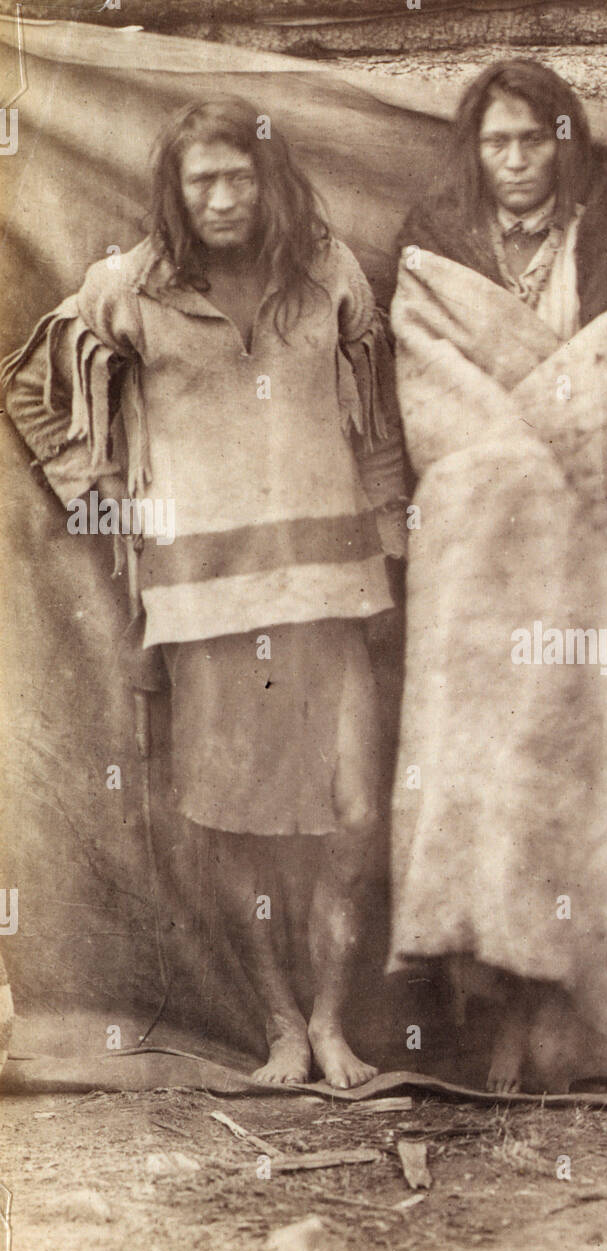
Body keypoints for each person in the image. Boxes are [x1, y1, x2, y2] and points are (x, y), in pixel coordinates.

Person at [3, 98, 407, 1088]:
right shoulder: (127, 287)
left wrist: (393, 547)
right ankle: (278, 1026)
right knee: (235, 825)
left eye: (240, 177)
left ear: (270, 180)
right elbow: (28, 385)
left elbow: (380, 421)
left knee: (353, 817)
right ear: (177, 192)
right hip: (204, 600)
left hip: (330, 589)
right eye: (203, 180)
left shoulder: (330, 275)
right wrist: (104, 504)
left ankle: (332, 1022)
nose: (223, 197)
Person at [386, 60, 607, 1093]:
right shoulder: (435, 251)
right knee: (482, 763)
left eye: (534, 140)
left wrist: (561, 417)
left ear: (566, 143)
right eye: (496, 142)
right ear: (473, 151)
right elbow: (437, 400)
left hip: (599, 560)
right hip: (480, 566)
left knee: (595, 762)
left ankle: (585, 1020)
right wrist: (525, 459)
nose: (515, 162)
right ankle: (489, 1007)